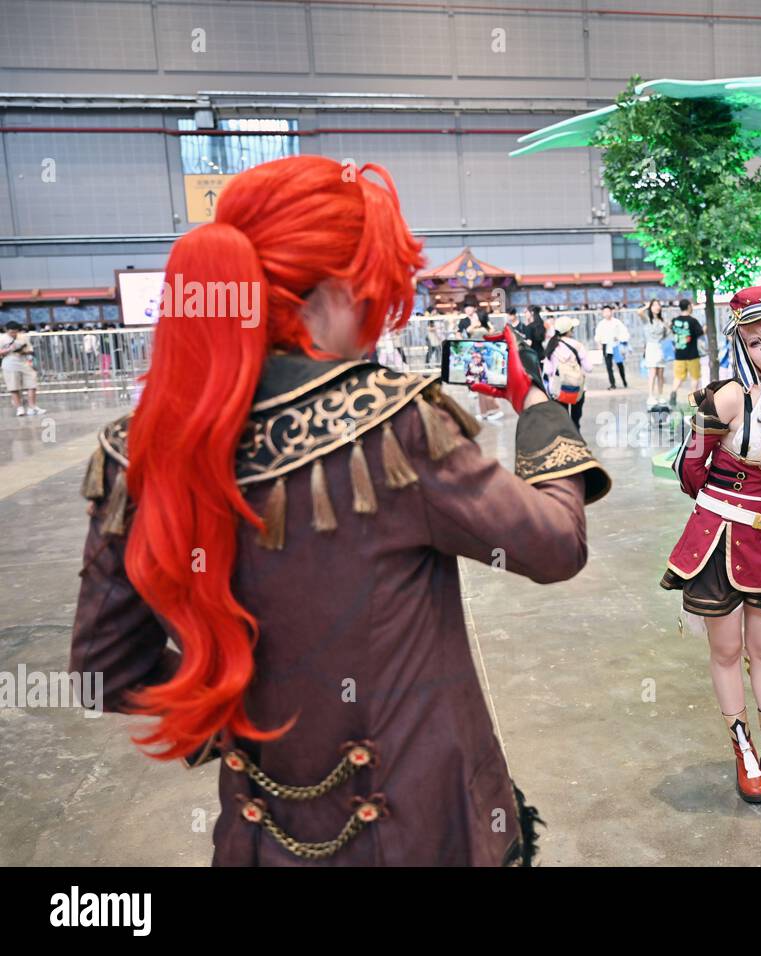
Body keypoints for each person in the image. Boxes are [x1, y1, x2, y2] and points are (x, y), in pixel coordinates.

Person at [68, 155, 612, 866]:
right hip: (428, 830)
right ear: (334, 292)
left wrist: (223, 711)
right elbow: (554, 548)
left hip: (257, 835)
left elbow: (102, 669)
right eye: (377, 295)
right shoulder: (390, 423)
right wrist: (538, 405)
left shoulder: (136, 453)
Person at [660, 286, 761, 806]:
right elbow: (687, 467)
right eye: (755, 343)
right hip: (715, 540)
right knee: (727, 650)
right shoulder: (732, 396)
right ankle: (744, 751)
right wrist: (730, 486)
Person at [543, 316, 589, 430]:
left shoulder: (551, 346)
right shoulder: (578, 345)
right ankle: (576, 437)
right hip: (577, 388)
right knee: (575, 419)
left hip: (558, 389)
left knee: (562, 419)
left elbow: (547, 371)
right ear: (568, 331)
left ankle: (565, 442)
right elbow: (589, 368)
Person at [0, 321, 46, 417]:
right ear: (6, 330)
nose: (14, 334)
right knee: (13, 386)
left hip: (23, 361)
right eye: (12, 332)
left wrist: (23, 350)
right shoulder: (2, 338)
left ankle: (32, 407)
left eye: (16, 332)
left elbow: (30, 349)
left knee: (32, 383)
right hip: (9, 362)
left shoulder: (23, 337)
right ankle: (19, 408)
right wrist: (9, 349)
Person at [669, 298, 705, 407]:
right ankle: (693, 403)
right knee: (694, 378)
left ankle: (673, 392)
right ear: (689, 306)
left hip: (679, 355)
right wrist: (706, 328)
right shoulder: (693, 321)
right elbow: (700, 333)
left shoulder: (674, 321)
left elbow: (673, 330)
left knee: (678, 377)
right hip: (692, 355)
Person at [639, 299, 669, 408]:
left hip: (660, 347)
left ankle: (660, 395)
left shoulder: (662, 321)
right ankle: (651, 396)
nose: (657, 307)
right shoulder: (647, 319)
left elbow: (666, 334)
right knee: (652, 373)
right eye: (654, 305)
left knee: (660, 374)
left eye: (658, 305)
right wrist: (647, 306)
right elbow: (639, 312)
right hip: (651, 347)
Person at [593, 306, 630, 389]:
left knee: (619, 364)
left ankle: (624, 381)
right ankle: (612, 383)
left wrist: (620, 338)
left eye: (608, 311)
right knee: (609, 366)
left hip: (616, 345)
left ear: (611, 312)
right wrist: (599, 344)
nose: (607, 313)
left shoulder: (617, 322)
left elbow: (624, 332)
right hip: (606, 345)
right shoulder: (601, 324)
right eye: (605, 312)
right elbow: (598, 335)